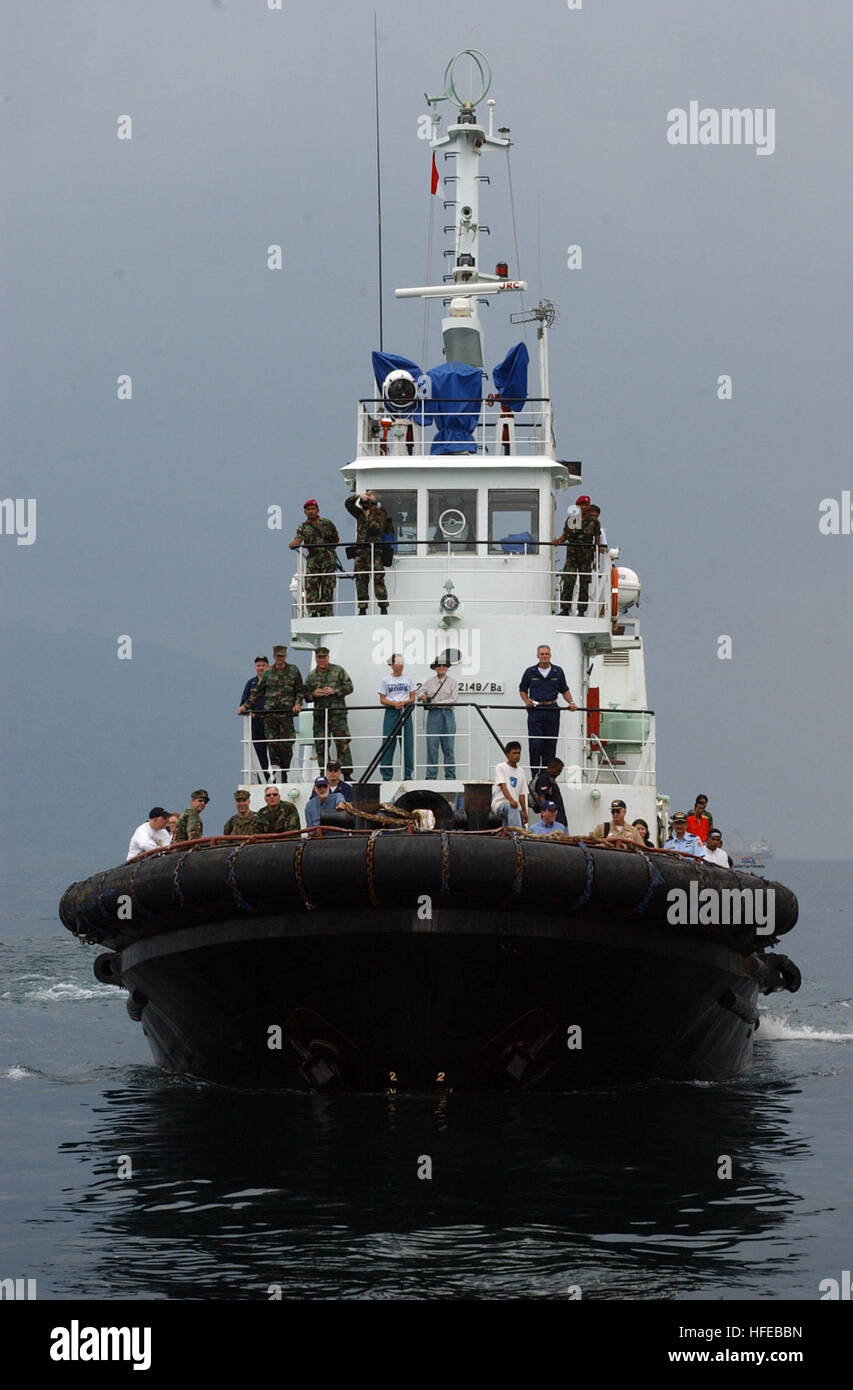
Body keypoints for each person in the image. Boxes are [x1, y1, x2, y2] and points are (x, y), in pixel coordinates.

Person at [238, 644, 304, 782]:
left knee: (286, 745)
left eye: (282, 656)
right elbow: (257, 693)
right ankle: (278, 777)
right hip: (271, 716)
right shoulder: (268, 673)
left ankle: (284, 772)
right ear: (274, 657)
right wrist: (245, 706)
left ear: (285, 656)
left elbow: (299, 690)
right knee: (272, 746)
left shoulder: (293, 670)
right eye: (277, 656)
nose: (280, 659)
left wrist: (298, 703)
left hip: (286, 715)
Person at [519, 644, 577, 772]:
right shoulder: (530, 672)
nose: (544, 656)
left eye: (546, 654)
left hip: (552, 710)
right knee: (535, 744)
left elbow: (564, 690)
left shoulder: (558, 671)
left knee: (550, 744)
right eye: (542, 654)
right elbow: (522, 690)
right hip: (536, 711)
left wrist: (571, 702)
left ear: (550, 655)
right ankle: (535, 776)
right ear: (537, 656)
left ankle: (547, 777)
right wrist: (526, 701)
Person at [302, 647, 354, 779]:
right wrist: (313, 694)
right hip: (320, 716)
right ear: (316, 658)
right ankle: (324, 773)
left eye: (324, 657)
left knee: (342, 743)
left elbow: (349, 687)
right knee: (321, 745)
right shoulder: (311, 676)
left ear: (328, 657)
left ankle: (346, 774)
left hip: (338, 715)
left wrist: (334, 690)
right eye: (319, 657)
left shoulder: (338, 671)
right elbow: (305, 694)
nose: (322, 660)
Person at [289, 500, 340, 617]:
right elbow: (298, 538)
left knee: (327, 586)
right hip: (313, 560)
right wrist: (294, 543)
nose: (311, 511)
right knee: (312, 586)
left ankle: (325, 612)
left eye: (313, 509)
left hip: (327, 559)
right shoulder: (303, 526)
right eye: (308, 509)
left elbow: (336, 538)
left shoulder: (327, 523)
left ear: (318, 510)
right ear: (305, 512)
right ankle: (313, 611)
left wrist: (329, 548)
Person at [553, 495, 601, 616]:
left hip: (586, 556)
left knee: (584, 583)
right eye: (582, 505)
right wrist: (558, 541)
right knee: (569, 580)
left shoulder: (594, 522)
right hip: (572, 555)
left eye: (587, 505)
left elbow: (597, 541)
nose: (585, 507)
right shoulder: (571, 520)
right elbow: (565, 536)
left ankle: (581, 610)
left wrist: (597, 560)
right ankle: (565, 609)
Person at [345, 490, 389, 615]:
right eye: (367, 496)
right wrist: (357, 496)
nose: (368, 499)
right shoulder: (360, 513)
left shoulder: (380, 512)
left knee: (378, 578)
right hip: (361, 552)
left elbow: (377, 527)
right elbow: (347, 504)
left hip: (375, 552)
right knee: (360, 579)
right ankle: (362, 607)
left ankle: (383, 606)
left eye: (370, 496)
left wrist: (368, 514)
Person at [418, 655, 458, 779]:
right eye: (439, 665)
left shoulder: (453, 682)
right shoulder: (429, 682)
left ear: (447, 667)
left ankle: (450, 776)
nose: (441, 667)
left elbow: (454, 699)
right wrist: (422, 696)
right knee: (432, 746)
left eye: (444, 665)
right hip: (433, 715)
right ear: (435, 667)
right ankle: (431, 776)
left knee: (449, 747)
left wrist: (434, 703)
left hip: (448, 714)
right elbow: (419, 693)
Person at [378, 654, 416, 780]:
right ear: (392, 665)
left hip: (405, 711)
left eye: (402, 663)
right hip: (391, 712)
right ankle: (386, 776)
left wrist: (404, 703)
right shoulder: (385, 680)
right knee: (388, 743)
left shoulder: (409, 679)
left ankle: (407, 775)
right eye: (398, 663)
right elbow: (382, 699)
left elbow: (412, 697)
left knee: (407, 744)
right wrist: (393, 703)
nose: (400, 666)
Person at [239, 655, 270, 782]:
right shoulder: (251, 683)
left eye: (263, 665)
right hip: (256, 722)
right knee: (259, 751)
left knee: (275, 752)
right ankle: (262, 778)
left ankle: (279, 777)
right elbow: (243, 703)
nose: (261, 668)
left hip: (272, 721)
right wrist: (247, 710)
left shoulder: (273, 682)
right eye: (258, 665)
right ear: (255, 667)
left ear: (268, 666)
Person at [492, 742, 529, 828]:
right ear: (507, 754)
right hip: (500, 805)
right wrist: (511, 800)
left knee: (516, 814)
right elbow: (503, 786)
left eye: (518, 753)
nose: (517, 755)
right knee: (511, 807)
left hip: (515, 807)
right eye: (514, 753)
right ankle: (517, 836)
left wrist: (524, 811)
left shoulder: (521, 772)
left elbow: (522, 794)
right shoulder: (500, 767)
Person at [531, 757, 568, 829]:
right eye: (558, 770)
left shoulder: (550, 779)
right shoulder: (544, 778)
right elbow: (542, 798)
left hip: (559, 817)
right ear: (552, 767)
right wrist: (549, 815)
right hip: (554, 820)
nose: (559, 773)